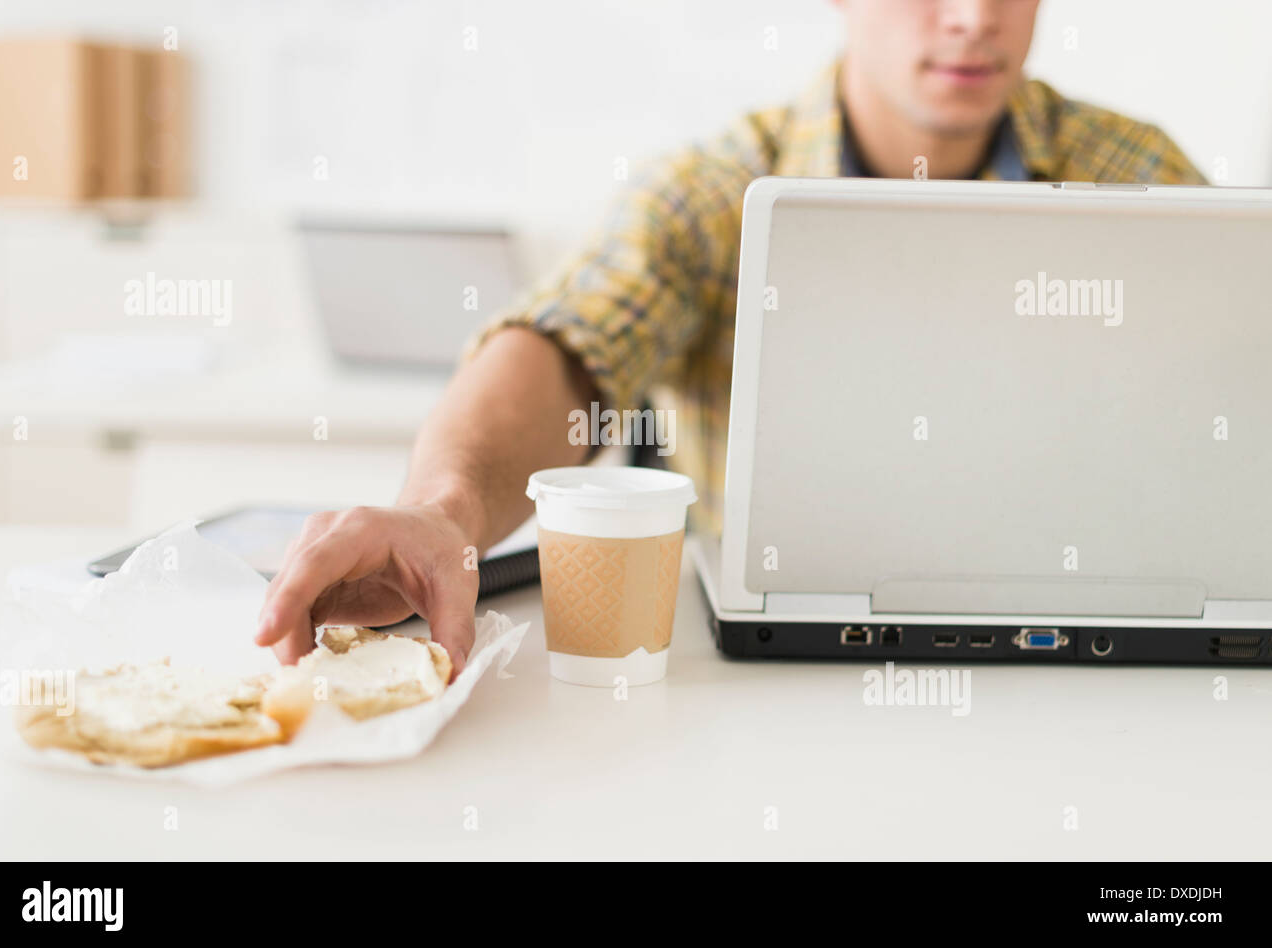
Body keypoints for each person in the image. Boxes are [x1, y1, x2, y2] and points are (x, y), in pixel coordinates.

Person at [254, 0, 1205, 673]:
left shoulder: (1135, 172)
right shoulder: (715, 192)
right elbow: (569, 345)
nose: (972, 16)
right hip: (765, 681)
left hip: (1086, 658)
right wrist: (444, 512)